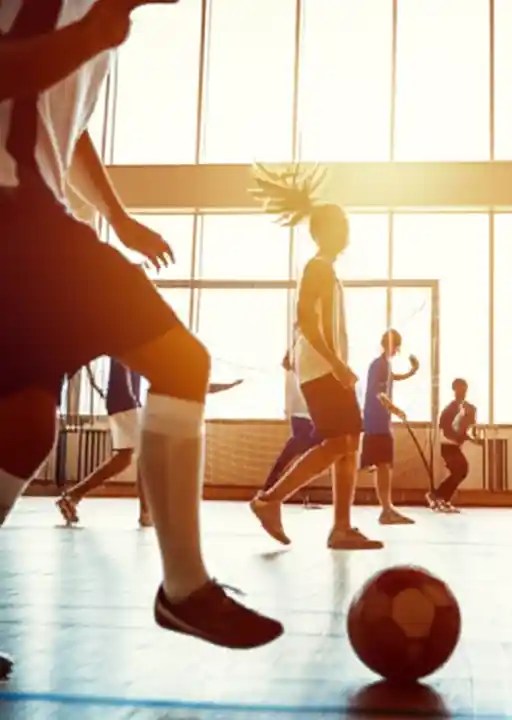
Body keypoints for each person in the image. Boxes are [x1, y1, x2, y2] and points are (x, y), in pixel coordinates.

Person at [0, 0, 283, 660]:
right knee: (182, 363)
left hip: (33, 221)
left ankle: (184, 591)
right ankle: (184, 591)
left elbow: (54, 122)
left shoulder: (81, 20)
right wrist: (94, 32)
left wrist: (117, 216)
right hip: (18, 222)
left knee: (23, 425)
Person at [248, 163, 382, 551]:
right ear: (325, 232)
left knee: (349, 442)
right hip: (323, 370)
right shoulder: (317, 268)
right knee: (340, 443)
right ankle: (270, 499)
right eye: (342, 228)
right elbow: (307, 321)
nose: (347, 235)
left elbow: (303, 320)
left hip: (324, 367)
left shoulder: (324, 271)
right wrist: (337, 363)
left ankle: (341, 527)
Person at [56, 357, 242, 527]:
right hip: (125, 403)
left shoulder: (141, 346)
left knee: (125, 457)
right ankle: (145, 513)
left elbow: (171, 381)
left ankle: (73, 497)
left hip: (124, 403)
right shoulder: (129, 340)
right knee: (142, 455)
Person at [358, 328, 419, 525]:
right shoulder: (380, 365)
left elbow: (392, 378)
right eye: (397, 347)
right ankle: (386, 509)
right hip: (377, 423)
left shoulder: (382, 365)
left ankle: (386, 508)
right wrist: (395, 409)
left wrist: (412, 372)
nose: (397, 351)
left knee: (383, 465)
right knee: (383, 464)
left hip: (376, 422)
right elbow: (379, 392)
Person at [260, 346, 323, 496]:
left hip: (305, 415)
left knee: (301, 451)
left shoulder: (299, 370)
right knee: (300, 450)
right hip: (303, 416)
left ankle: (272, 486)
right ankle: (271, 487)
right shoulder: (298, 370)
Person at [431, 378, 478, 513]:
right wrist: (460, 436)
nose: (462, 391)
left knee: (461, 471)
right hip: (447, 445)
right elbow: (446, 428)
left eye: (464, 389)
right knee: (460, 470)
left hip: (455, 445)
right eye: (459, 388)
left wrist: (469, 437)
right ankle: (438, 496)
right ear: (454, 390)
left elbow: (468, 427)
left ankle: (440, 497)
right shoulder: (449, 409)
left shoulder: (469, 408)